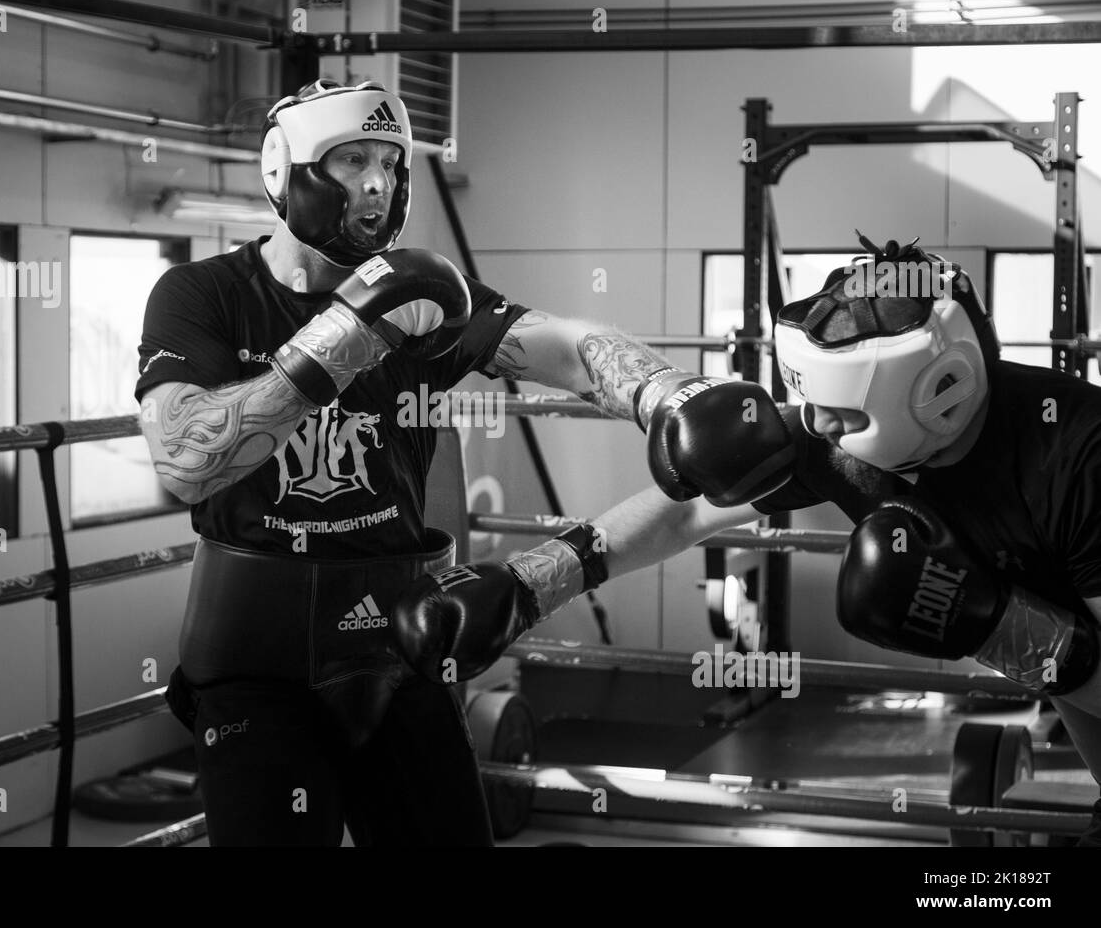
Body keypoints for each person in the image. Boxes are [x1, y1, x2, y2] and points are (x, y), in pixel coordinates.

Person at [133, 78, 793, 846]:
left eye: (391, 161)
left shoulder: (421, 296)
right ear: (285, 167)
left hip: (398, 644)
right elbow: (185, 461)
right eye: (352, 159)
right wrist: (341, 340)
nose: (378, 183)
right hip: (255, 664)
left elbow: (565, 344)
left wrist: (666, 391)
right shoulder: (201, 296)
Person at [395, 233, 1101, 846]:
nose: (816, 425)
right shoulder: (844, 440)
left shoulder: (1081, 460)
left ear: (940, 391)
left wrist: (1005, 629)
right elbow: (685, 513)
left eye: (838, 411)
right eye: (810, 401)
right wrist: (532, 585)